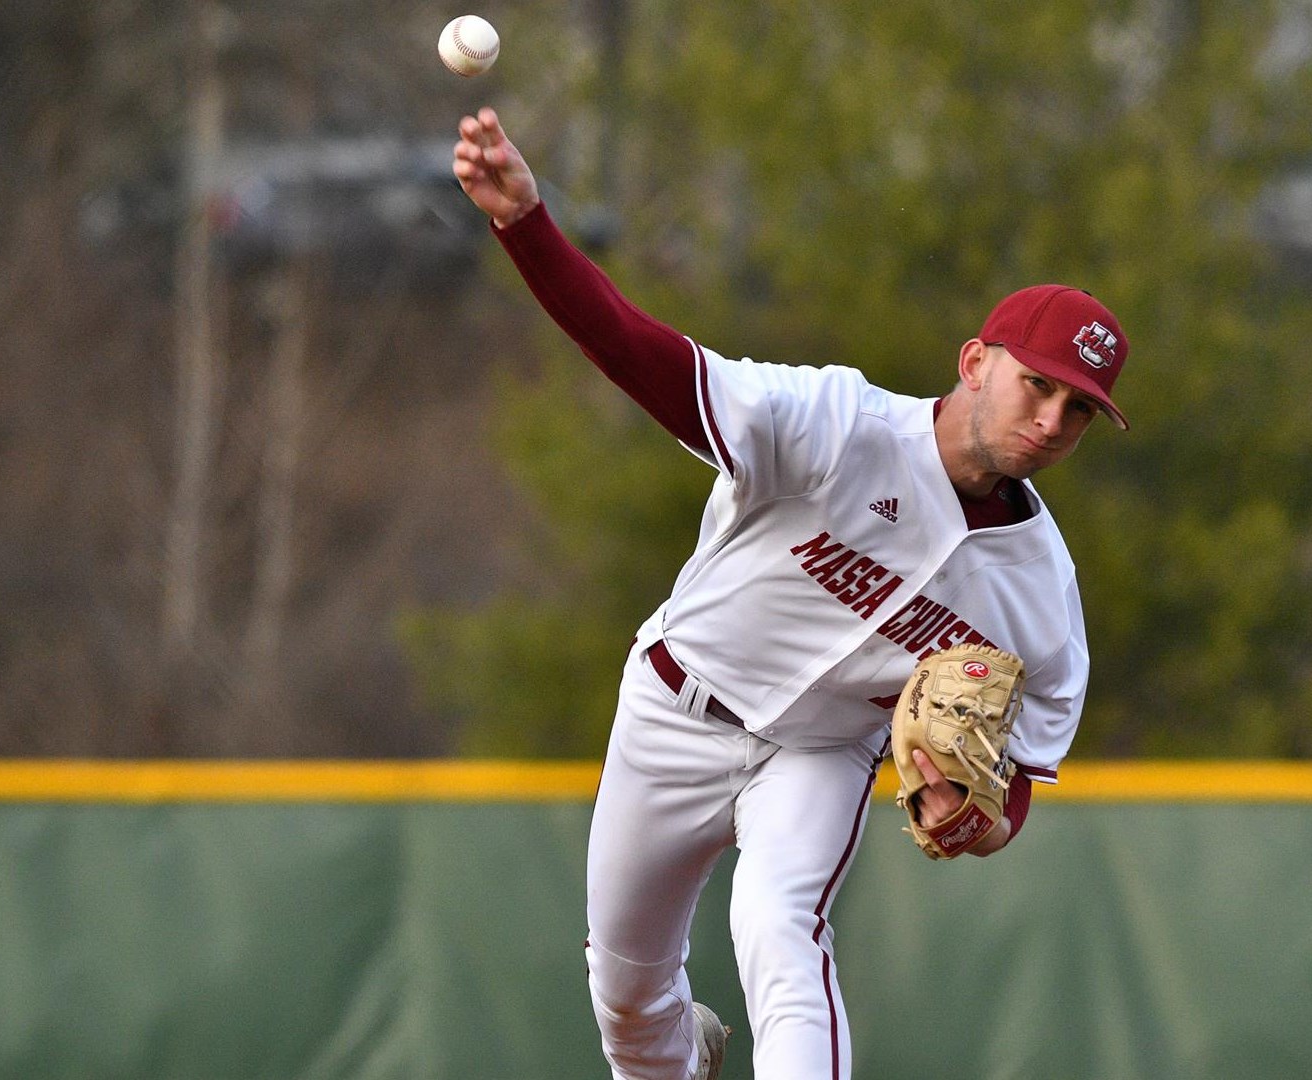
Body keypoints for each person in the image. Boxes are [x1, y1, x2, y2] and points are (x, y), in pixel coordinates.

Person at [451, 106, 1129, 1080]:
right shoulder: (834, 425)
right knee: (630, 1005)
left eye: (1077, 410)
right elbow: (646, 358)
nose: (1052, 419)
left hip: (816, 755)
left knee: (778, 928)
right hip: (674, 709)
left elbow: (1016, 780)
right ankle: (683, 1053)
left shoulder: (1038, 592)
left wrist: (971, 818)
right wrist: (527, 224)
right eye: (1037, 386)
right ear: (974, 364)